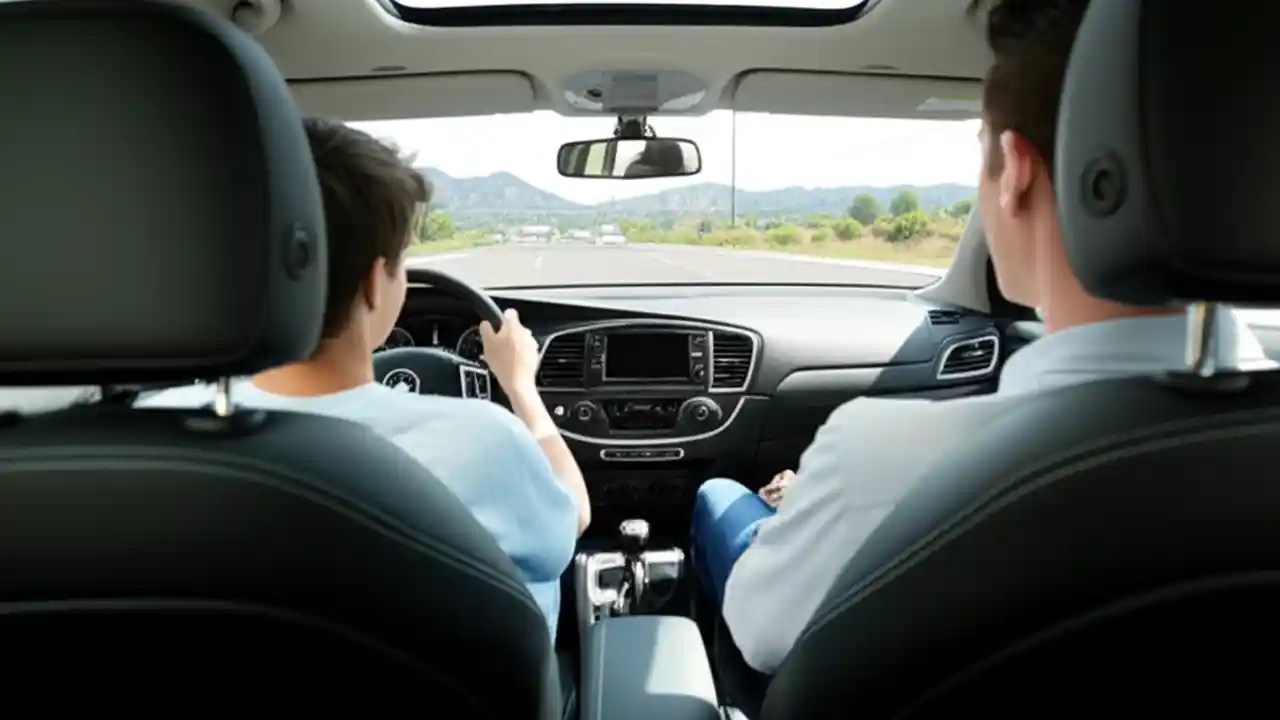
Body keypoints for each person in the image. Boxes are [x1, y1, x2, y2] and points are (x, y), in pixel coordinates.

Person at [691, 0, 1275, 675]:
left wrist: (808, 516)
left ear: (1016, 170)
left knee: (719, 504)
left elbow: (761, 636)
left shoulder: (873, 462)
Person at [137, 118, 590, 643]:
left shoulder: (150, 433)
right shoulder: (483, 442)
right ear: (376, 281)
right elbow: (573, 516)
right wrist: (521, 389)